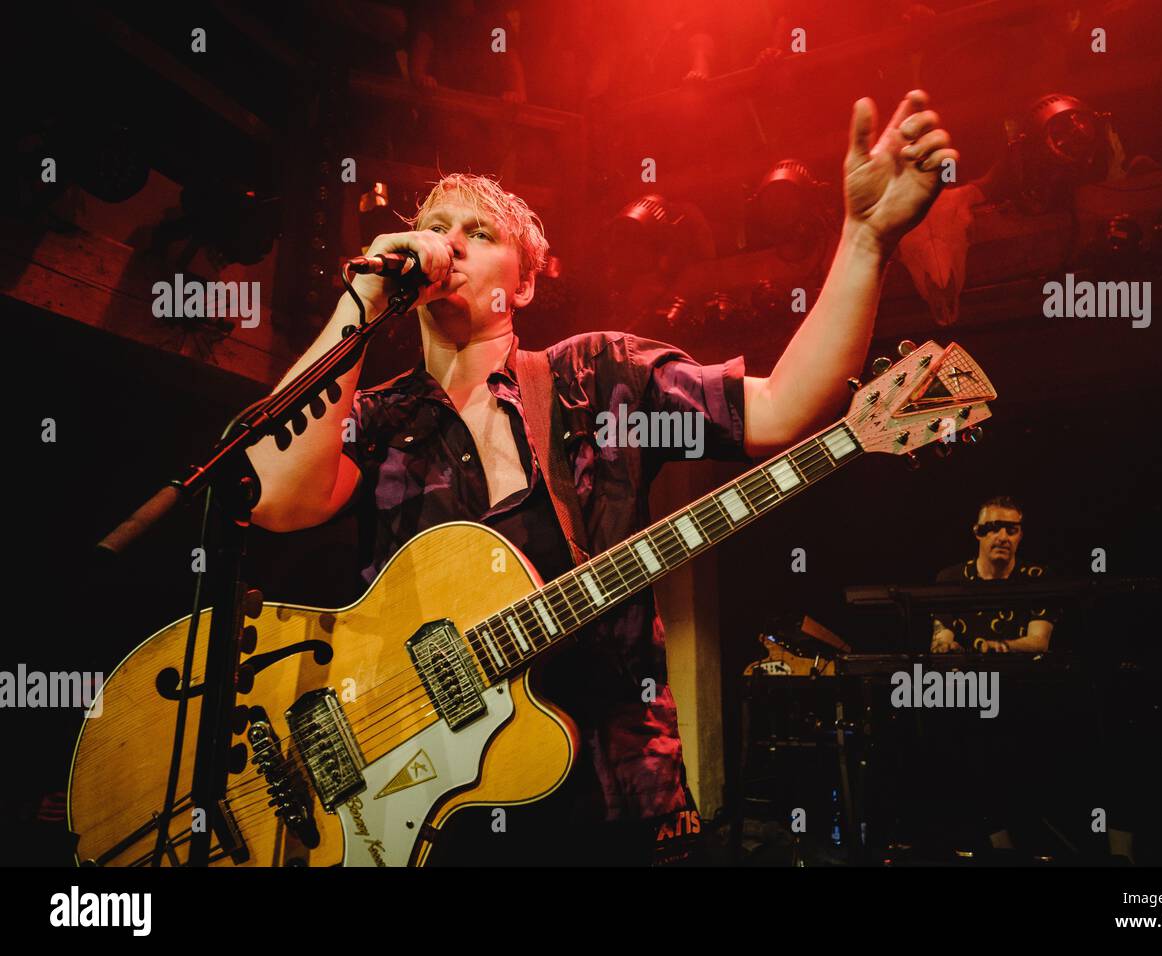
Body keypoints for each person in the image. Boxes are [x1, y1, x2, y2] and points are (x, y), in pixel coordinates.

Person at [246, 91, 958, 864]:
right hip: (426, 809)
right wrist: (363, 295)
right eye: (436, 229)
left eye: (477, 233)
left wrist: (865, 240)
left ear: (521, 285)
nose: (448, 244)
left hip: (609, 801)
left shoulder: (600, 377)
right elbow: (278, 497)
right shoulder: (379, 418)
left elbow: (783, 410)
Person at [930, 496, 1056, 654]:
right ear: (977, 532)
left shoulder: (1037, 578)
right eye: (994, 528)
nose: (1003, 537)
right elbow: (941, 639)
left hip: (1022, 676)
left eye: (1011, 530)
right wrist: (946, 648)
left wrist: (999, 647)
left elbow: (1039, 641)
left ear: (1020, 536)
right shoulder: (951, 579)